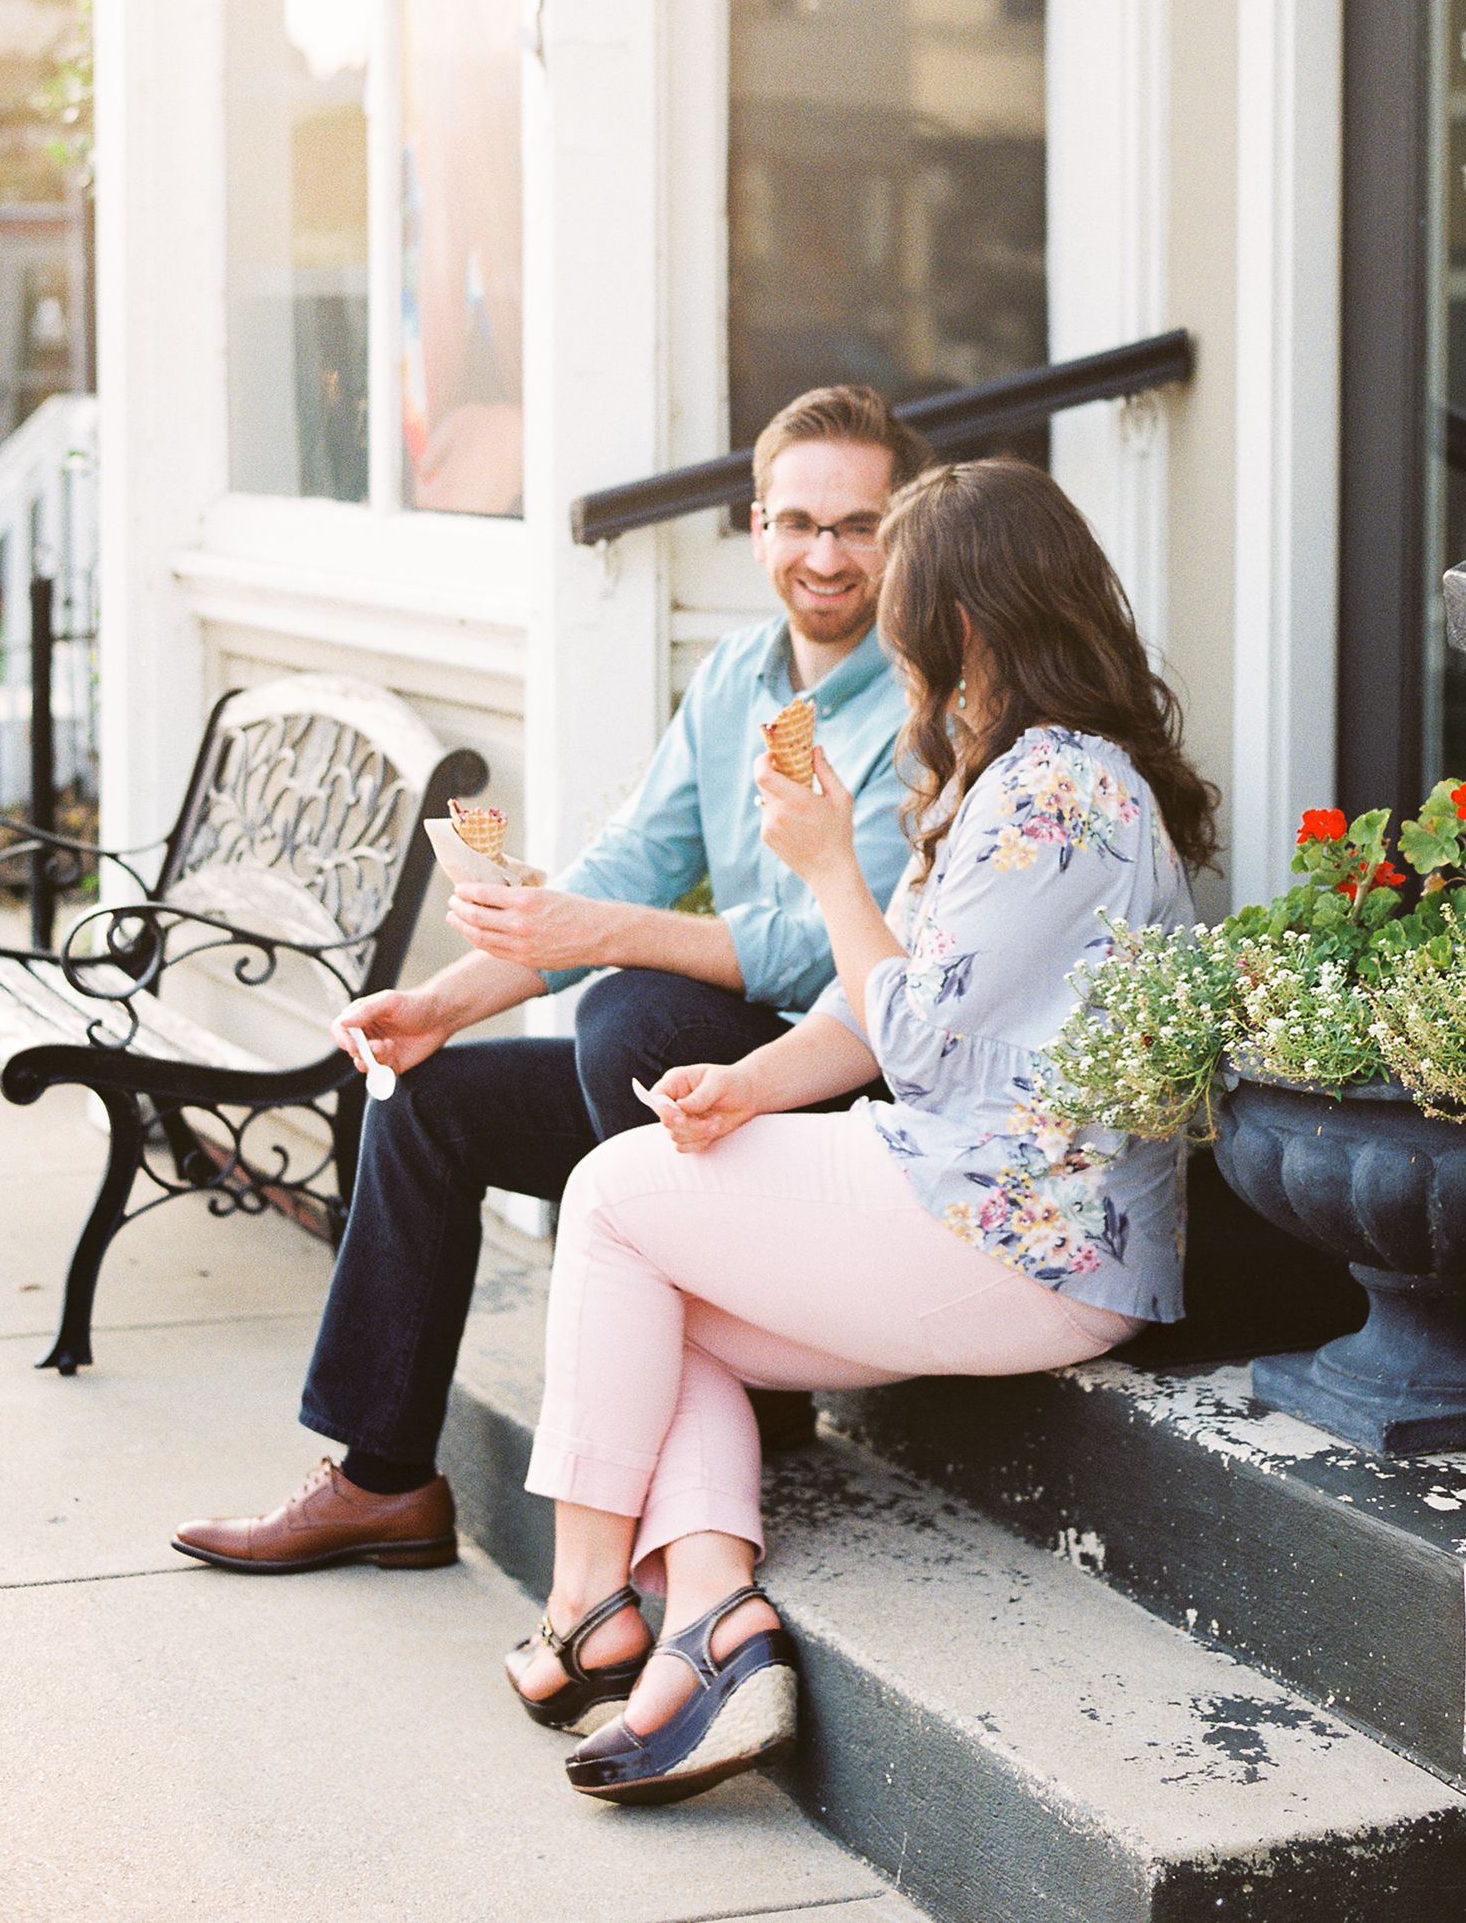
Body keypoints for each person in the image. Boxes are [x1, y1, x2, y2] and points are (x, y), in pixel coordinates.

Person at [503, 457, 1219, 1807]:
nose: (882, 636)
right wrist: (749, 1086)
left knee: (608, 1193)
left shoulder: (1061, 790)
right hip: (986, 1206)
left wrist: (834, 863)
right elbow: (873, 1005)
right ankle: (712, 1620)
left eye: (898, 606)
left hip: (1023, 1229)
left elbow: (920, 1034)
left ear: (960, 620)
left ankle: (586, 1598)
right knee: (668, 1298)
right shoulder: (1010, 775)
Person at [173, 383, 927, 1578]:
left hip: (847, 1102)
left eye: (856, 524)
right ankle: (382, 1480)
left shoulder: (923, 700)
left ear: (907, 530)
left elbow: (831, 949)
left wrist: (609, 932)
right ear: (754, 527)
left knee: (632, 1012)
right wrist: (441, 1005)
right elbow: (626, 864)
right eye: (797, 522)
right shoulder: (737, 676)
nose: (822, 555)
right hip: (713, 1105)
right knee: (430, 1102)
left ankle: (746, 1347)